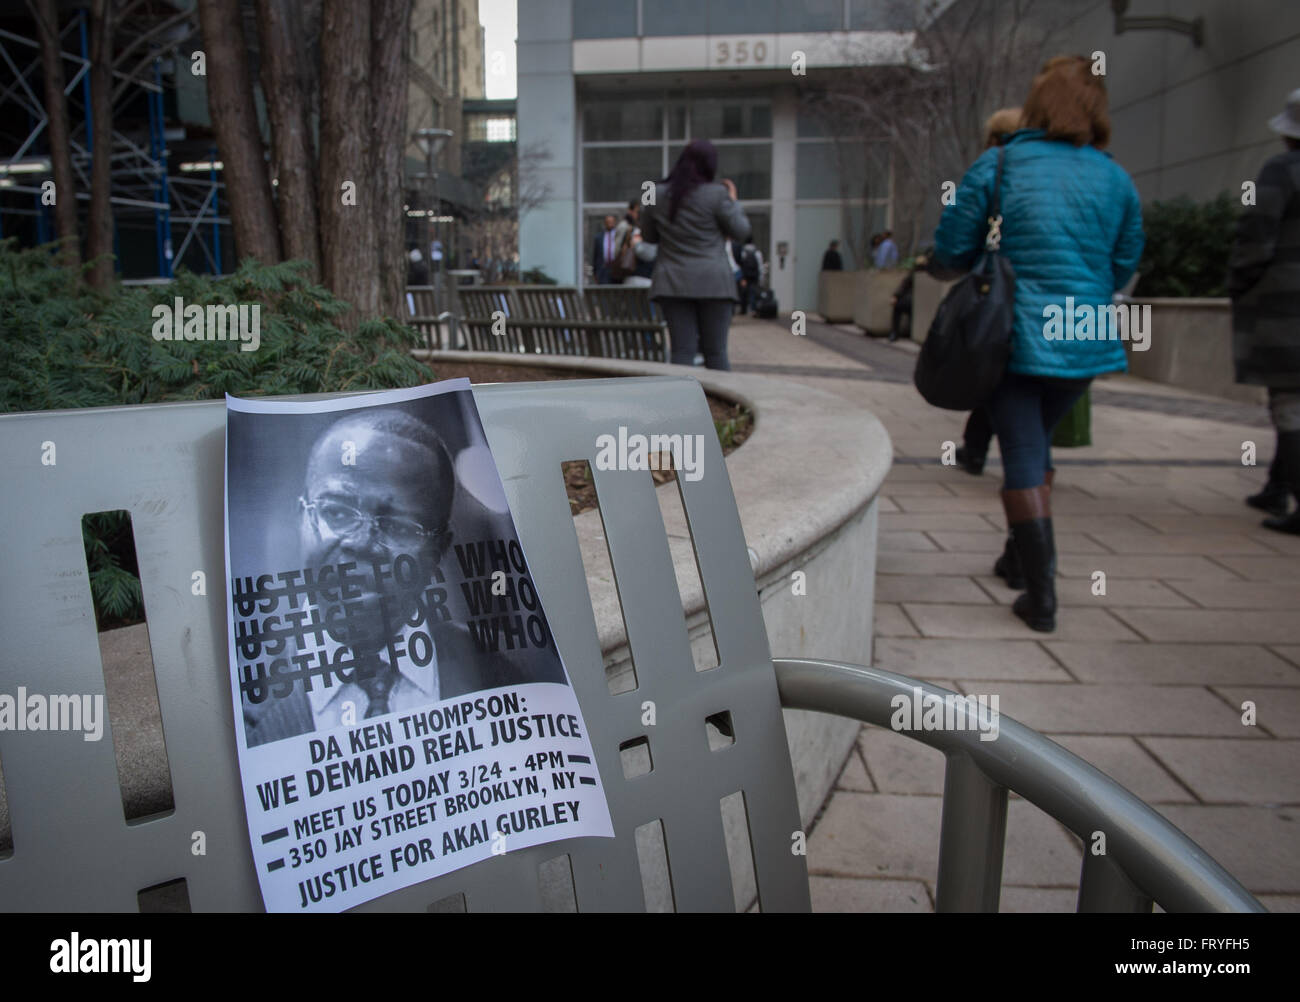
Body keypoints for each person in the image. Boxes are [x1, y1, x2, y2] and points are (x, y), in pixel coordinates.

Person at [931, 55, 1144, 632]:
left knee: (1023, 453)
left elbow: (950, 248)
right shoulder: (1115, 177)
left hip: (1016, 333)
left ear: (1037, 104)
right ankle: (1016, 558)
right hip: (1084, 337)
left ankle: (1041, 594)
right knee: (1037, 446)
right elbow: (1125, 264)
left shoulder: (1000, 164)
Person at [241, 408, 556, 747]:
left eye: (399, 527)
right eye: (336, 512)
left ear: (438, 550)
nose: (362, 544)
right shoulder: (240, 700)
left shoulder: (500, 678)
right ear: (301, 517)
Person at [1230, 88, 1300, 534]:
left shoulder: (1278, 171)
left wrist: (1239, 280)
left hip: (1286, 308)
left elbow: (1256, 232)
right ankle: (1277, 483)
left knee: (1288, 401)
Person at [639, 139, 751, 369]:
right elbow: (742, 231)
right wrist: (734, 201)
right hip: (714, 282)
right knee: (716, 352)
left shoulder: (656, 194)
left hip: (673, 281)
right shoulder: (717, 194)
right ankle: (723, 406)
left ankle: (682, 404)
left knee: (681, 351)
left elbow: (649, 237)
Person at [955, 107, 1025, 476]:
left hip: (1002, 299)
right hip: (1073, 313)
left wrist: (947, 264)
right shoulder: (1091, 166)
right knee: (1027, 413)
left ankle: (1031, 517)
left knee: (1003, 385)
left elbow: (955, 236)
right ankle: (1035, 476)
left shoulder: (994, 165)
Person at [738, 238, 764, 314]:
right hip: (754, 275)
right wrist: (761, 277)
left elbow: (741, 264)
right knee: (753, 292)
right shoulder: (757, 252)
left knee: (744, 292)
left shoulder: (743, 251)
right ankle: (753, 308)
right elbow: (760, 266)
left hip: (745, 275)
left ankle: (744, 309)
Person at [591, 214, 618, 284]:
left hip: (616, 270)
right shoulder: (599, 237)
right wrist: (595, 273)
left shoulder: (618, 236)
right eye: (608, 222)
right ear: (605, 223)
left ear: (614, 222)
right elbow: (595, 256)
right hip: (603, 271)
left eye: (611, 222)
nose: (610, 224)